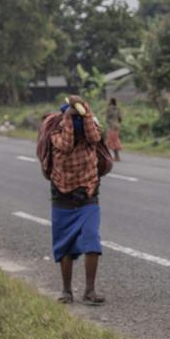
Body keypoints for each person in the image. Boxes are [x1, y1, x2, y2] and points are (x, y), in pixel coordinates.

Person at [49, 95, 105, 305]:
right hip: (62, 195)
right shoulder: (56, 130)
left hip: (88, 194)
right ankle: (66, 291)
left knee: (92, 240)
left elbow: (95, 137)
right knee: (65, 245)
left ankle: (90, 291)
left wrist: (86, 113)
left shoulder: (91, 131)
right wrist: (69, 119)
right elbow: (66, 144)